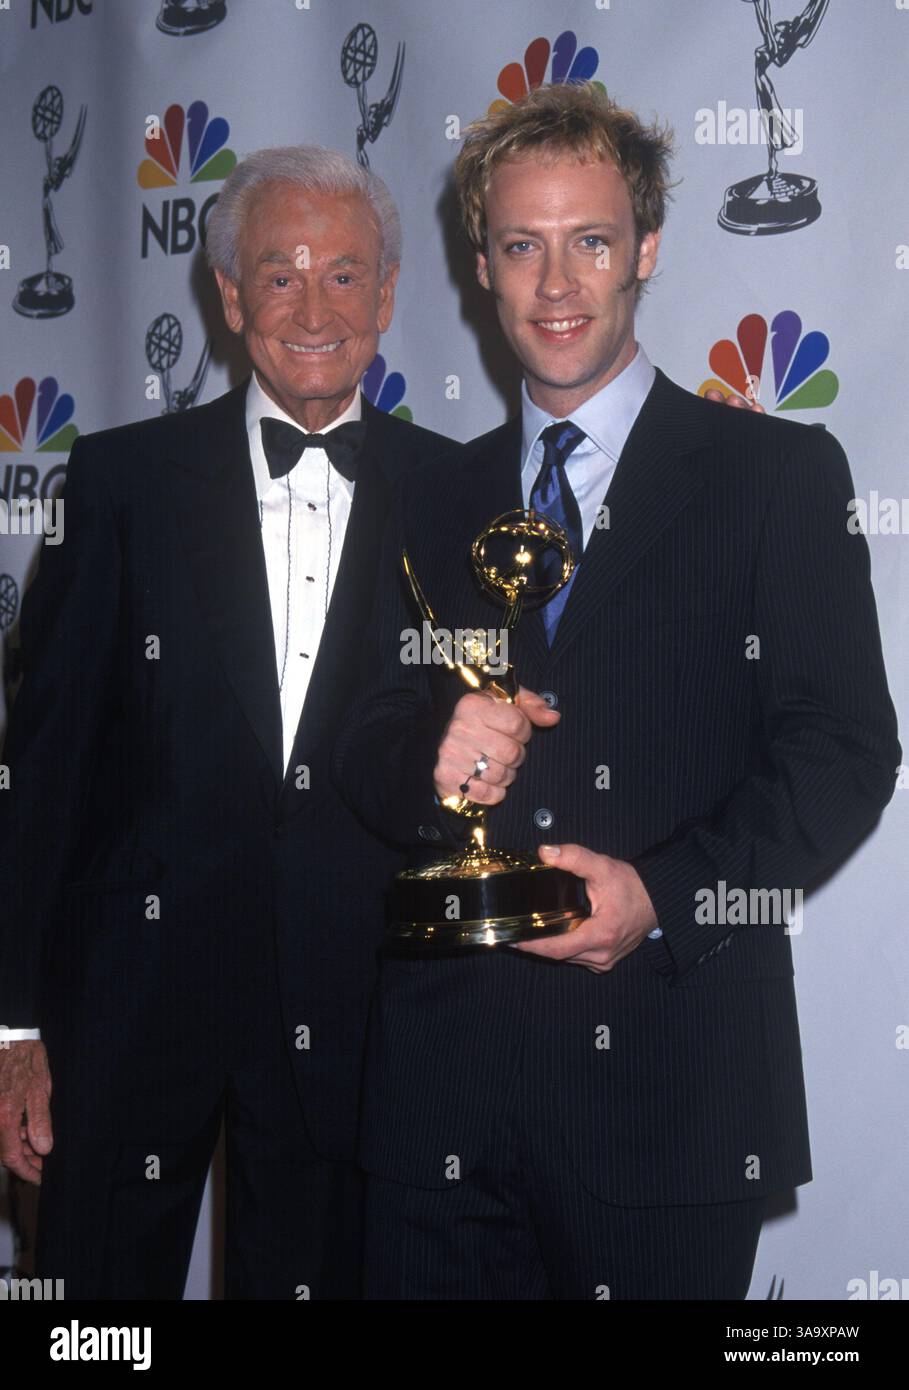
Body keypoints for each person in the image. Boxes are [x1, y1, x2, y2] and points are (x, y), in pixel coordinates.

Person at [334, 83, 901, 1300]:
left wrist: (664, 895)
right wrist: (429, 753)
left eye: (589, 241)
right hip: (440, 1101)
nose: (555, 285)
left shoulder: (775, 474)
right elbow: (367, 736)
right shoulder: (426, 496)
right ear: (477, 261)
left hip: (671, 1095)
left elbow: (846, 749)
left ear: (645, 247)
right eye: (522, 246)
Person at [0, 145, 454, 1300]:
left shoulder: (461, 496)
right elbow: (42, 770)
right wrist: (11, 1029)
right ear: (229, 295)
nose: (315, 308)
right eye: (281, 273)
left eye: (346, 275)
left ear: (390, 295)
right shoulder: (118, 484)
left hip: (359, 1014)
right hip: (128, 1004)